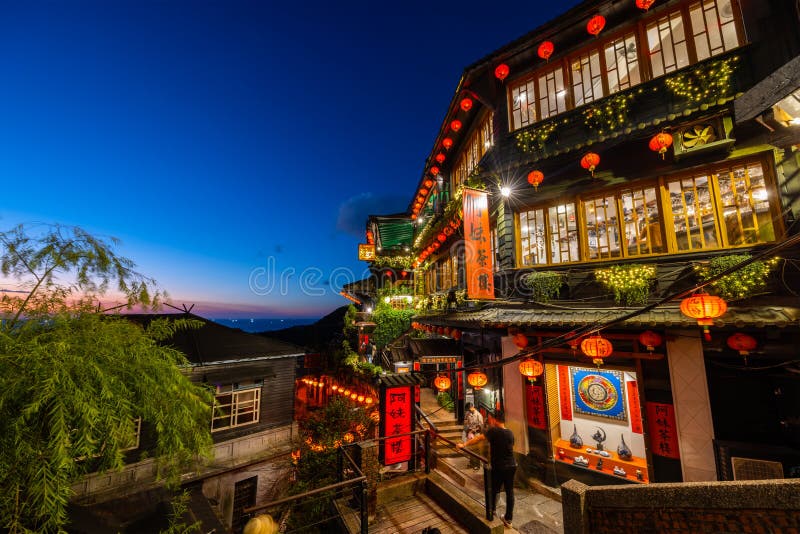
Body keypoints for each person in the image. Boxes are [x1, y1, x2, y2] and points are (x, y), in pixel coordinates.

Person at [458, 412, 516, 529]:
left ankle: (492, 511)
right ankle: (508, 519)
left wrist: (464, 445)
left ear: (495, 420)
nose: (490, 421)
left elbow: (478, 438)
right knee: (509, 491)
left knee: (494, 489)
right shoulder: (510, 433)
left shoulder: (493, 431)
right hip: (512, 465)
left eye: (491, 419)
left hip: (499, 466)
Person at [462, 402, 484, 470]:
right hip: (469, 434)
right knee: (470, 449)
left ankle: (477, 464)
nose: (468, 411)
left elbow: (481, 426)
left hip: (476, 434)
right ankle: (471, 463)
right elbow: (465, 423)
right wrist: (467, 430)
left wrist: (473, 430)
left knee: (476, 450)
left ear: (472, 407)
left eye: (469, 409)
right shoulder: (468, 414)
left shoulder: (478, 415)